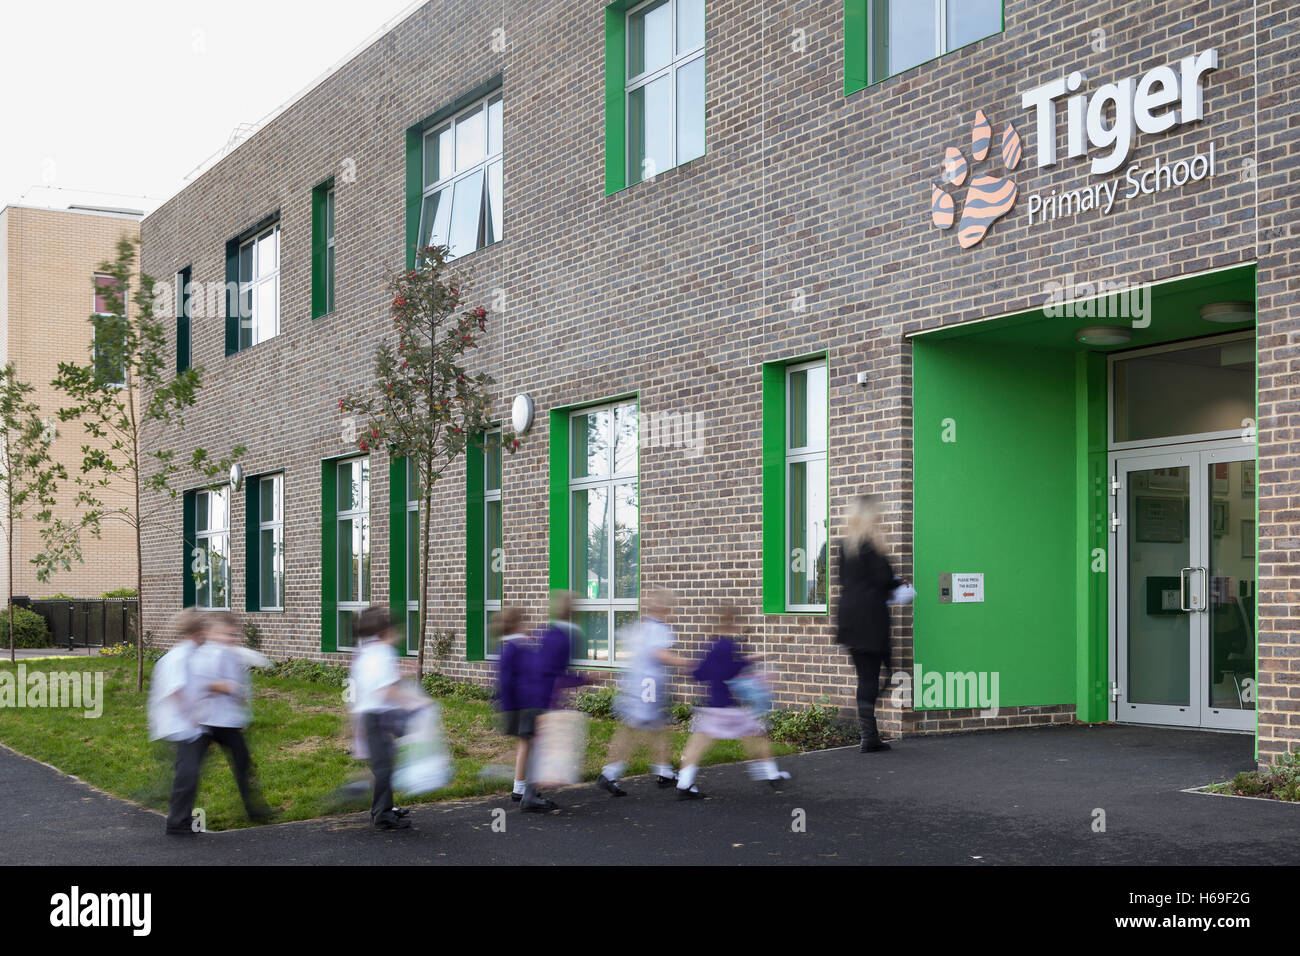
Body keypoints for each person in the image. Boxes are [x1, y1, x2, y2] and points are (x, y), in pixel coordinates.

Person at [675, 605, 789, 800]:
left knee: (697, 743)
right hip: (727, 707)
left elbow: (699, 674)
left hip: (709, 705)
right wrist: (753, 668)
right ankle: (772, 774)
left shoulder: (710, 646)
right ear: (731, 623)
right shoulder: (729, 646)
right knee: (757, 734)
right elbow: (733, 670)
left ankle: (684, 784)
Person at [596, 588, 691, 797]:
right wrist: (688, 662)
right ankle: (613, 772)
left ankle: (662, 770)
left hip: (636, 682)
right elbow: (661, 655)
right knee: (646, 728)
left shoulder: (641, 627)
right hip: (650, 686)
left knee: (649, 727)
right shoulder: (660, 629)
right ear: (665, 608)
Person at [188, 611, 275, 824]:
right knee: (193, 767)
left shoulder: (231, 655)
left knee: (243, 763)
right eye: (226, 634)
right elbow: (198, 685)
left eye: (234, 635)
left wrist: (242, 717)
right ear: (212, 633)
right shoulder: (204, 655)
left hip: (227, 722)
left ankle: (254, 810)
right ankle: (182, 810)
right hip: (206, 720)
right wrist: (223, 687)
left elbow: (244, 685)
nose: (231, 639)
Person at [835, 494, 903, 753]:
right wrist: (899, 582)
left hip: (849, 618)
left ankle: (868, 733)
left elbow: (845, 581)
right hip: (871, 619)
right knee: (880, 674)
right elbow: (883, 579)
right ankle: (866, 727)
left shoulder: (844, 546)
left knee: (867, 676)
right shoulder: (871, 545)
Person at [350, 606, 426, 830]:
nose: (399, 635)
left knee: (385, 764)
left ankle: (386, 807)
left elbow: (380, 682)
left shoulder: (369, 651)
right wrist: (415, 702)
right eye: (397, 631)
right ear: (388, 631)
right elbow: (387, 690)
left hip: (371, 715)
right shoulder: (382, 653)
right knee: (383, 768)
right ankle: (381, 814)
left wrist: (403, 675)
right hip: (376, 716)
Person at [149, 608, 209, 836]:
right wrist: (192, 714)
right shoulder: (181, 655)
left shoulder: (186, 653)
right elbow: (176, 689)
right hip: (181, 723)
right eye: (204, 629)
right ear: (197, 631)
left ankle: (182, 816)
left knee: (187, 769)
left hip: (183, 723)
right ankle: (177, 820)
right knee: (188, 771)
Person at [495, 606, 555, 813]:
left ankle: (519, 787)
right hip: (527, 704)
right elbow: (529, 675)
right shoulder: (520, 646)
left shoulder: (508, 646)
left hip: (519, 705)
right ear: (519, 623)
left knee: (525, 745)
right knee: (536, 746)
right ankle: (529, 791)